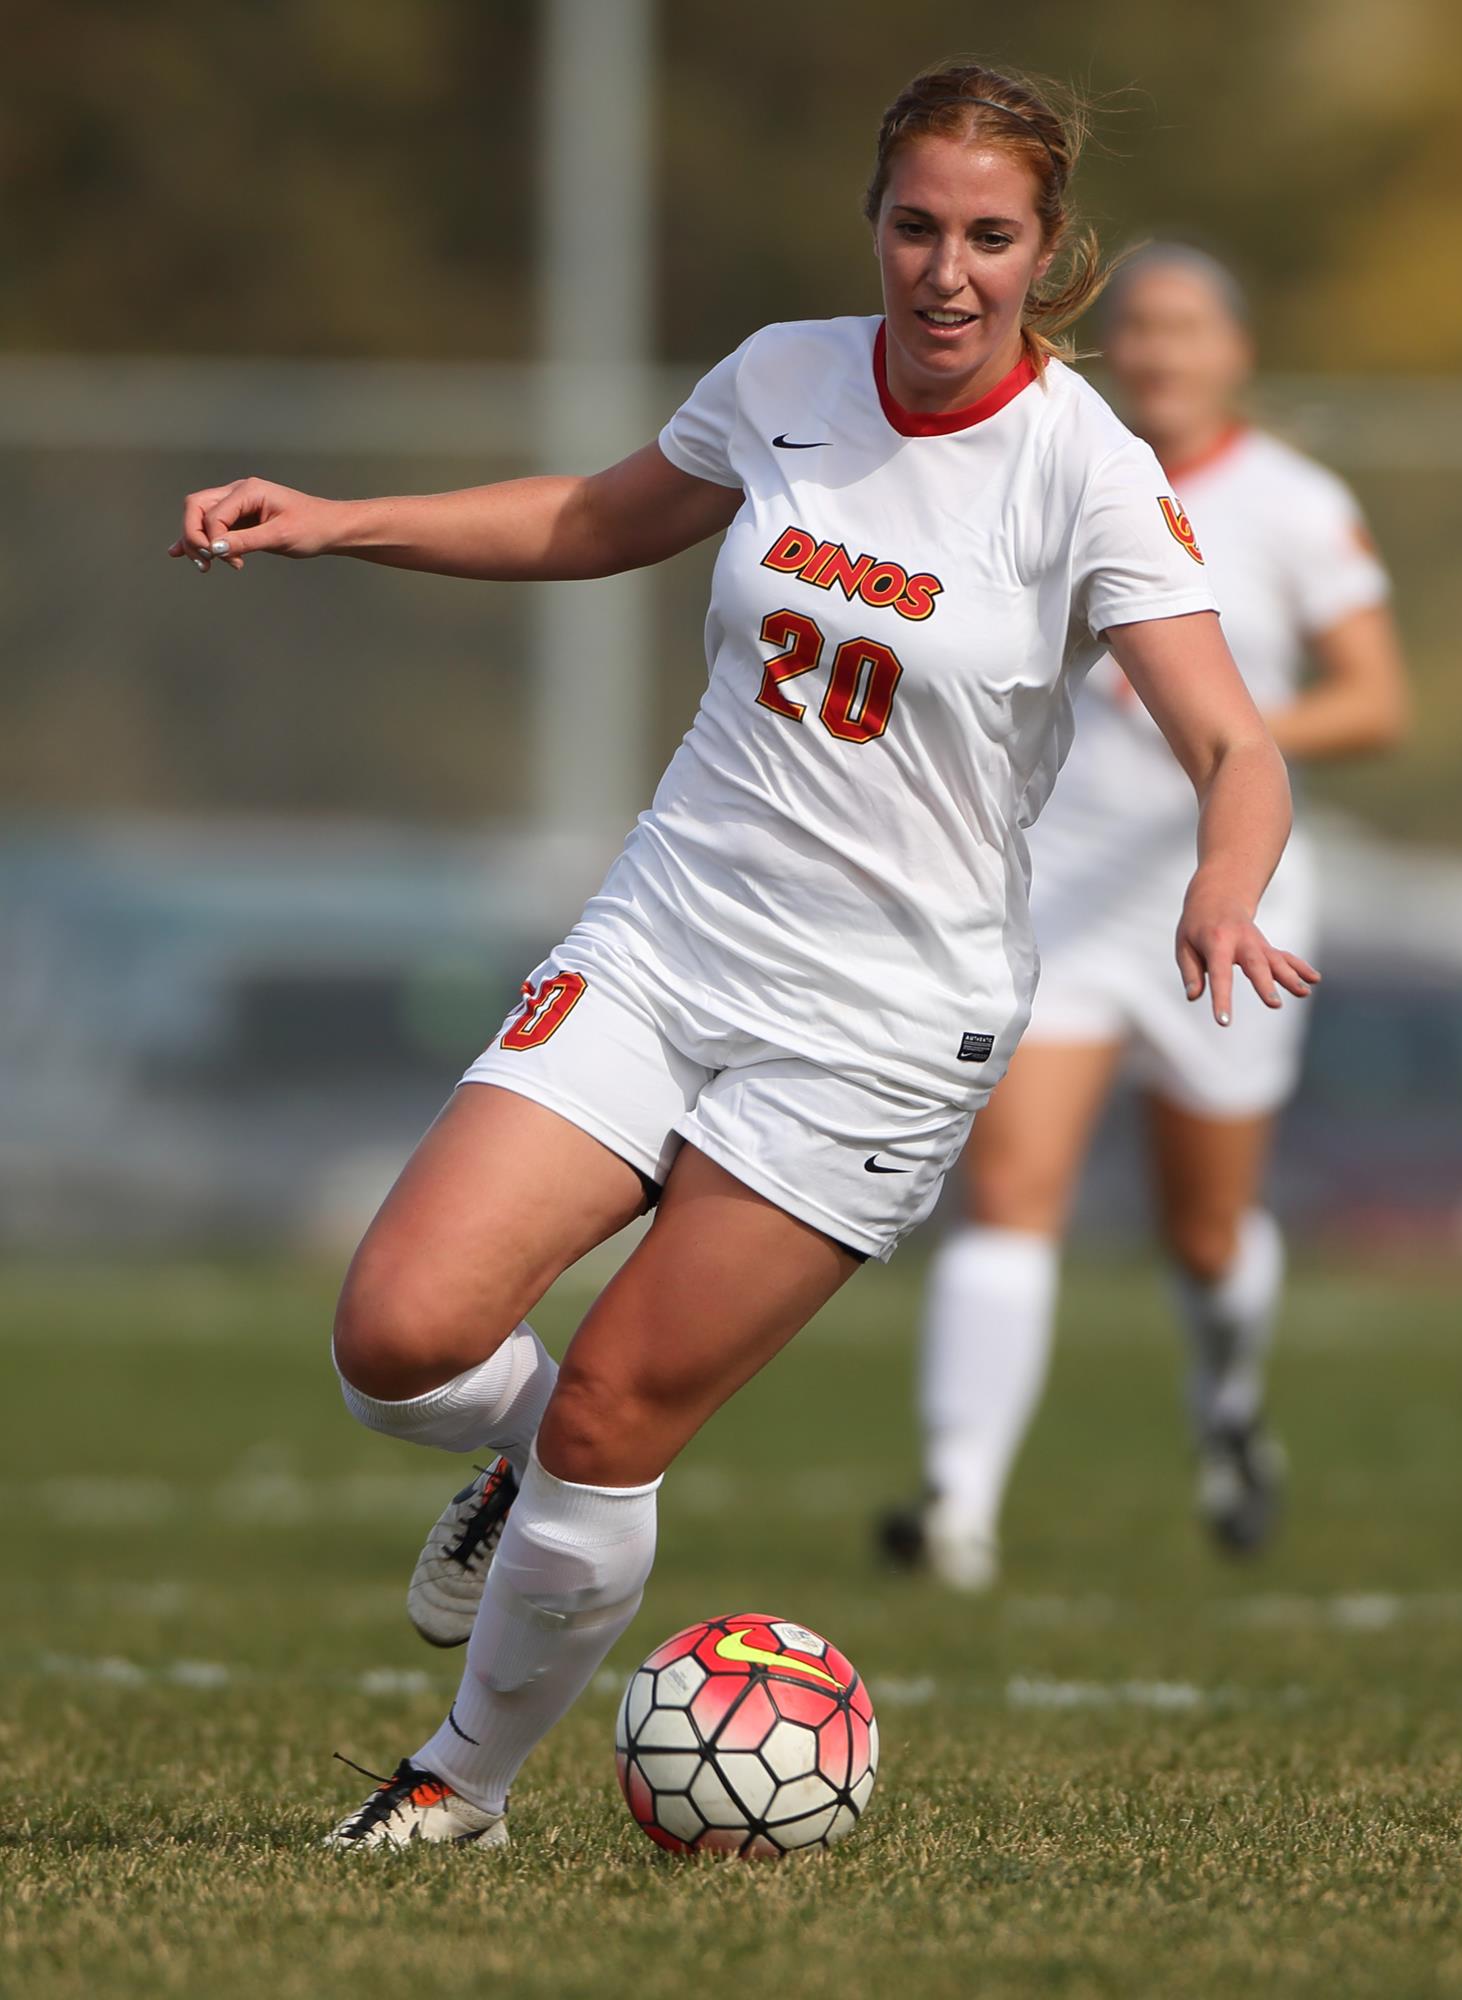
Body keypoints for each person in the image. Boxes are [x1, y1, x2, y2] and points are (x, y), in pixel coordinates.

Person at [170, 67, 1316, 1849]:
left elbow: (1237, 748)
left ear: (1046, 255)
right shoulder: (780, 374)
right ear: (873, 221)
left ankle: (456, 1787)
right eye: (915, 226)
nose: (945, 272)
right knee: (396, 1337)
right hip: (665, 937)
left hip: (878, 1022)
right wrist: (337, 519)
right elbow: (599, 519)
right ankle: (517, 1468)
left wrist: (1223, 886)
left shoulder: (1082, 468)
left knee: (617, 1413)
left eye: (987, 238)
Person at [882, 245, 1408, 1592]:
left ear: (1234, 352)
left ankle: (1227, 1409)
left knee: (1203, 1231)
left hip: (1225, 913)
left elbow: (1374, 702)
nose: (1161, 352)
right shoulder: (1049, 460)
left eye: (1188, 329)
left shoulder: (1293, 504)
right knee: (1007, 1191)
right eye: (1141, 330)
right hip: (1052, 900)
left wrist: (1219, 728)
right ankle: (956, 1504)